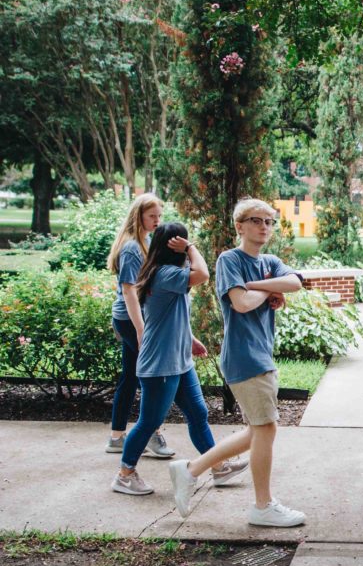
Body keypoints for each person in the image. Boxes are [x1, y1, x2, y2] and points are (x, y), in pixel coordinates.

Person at [168, 199, 305, 527]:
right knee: (266, 428)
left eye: (269, 222)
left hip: (261, 353)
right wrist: (266, 290)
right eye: (256, 221)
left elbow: (296, 281)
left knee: (255, 432)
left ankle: (190, 470)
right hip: (245, 356)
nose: (264, 227)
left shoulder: (269, 261)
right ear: (239, 226)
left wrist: (257, 284)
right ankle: (262, 506)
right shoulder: (230, 260)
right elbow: (241, 304)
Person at [111, 224, 247, 496]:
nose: (186, 249)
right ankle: (125, 474)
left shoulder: (160, 273)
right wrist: (191, 246)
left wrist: (190, 337)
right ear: (174, 247)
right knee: (149, 421)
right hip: (161, 362)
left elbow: (171, 315)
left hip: (179, 359)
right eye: (182, 244)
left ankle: (217, 466)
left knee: (198, 414)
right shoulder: (164, 274)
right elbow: (204, 274)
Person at [105, 193, 175, 458]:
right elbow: (129, 292)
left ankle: (116, 436)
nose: (157, 221)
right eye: (152, 216)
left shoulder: (145, 241)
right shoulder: (133, 247)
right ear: (139, 217)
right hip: (131, 319)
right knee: (151, 377)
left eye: (159, 216)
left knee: (131, 376)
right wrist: (141, 330)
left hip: (132, 319)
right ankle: (152, 433)